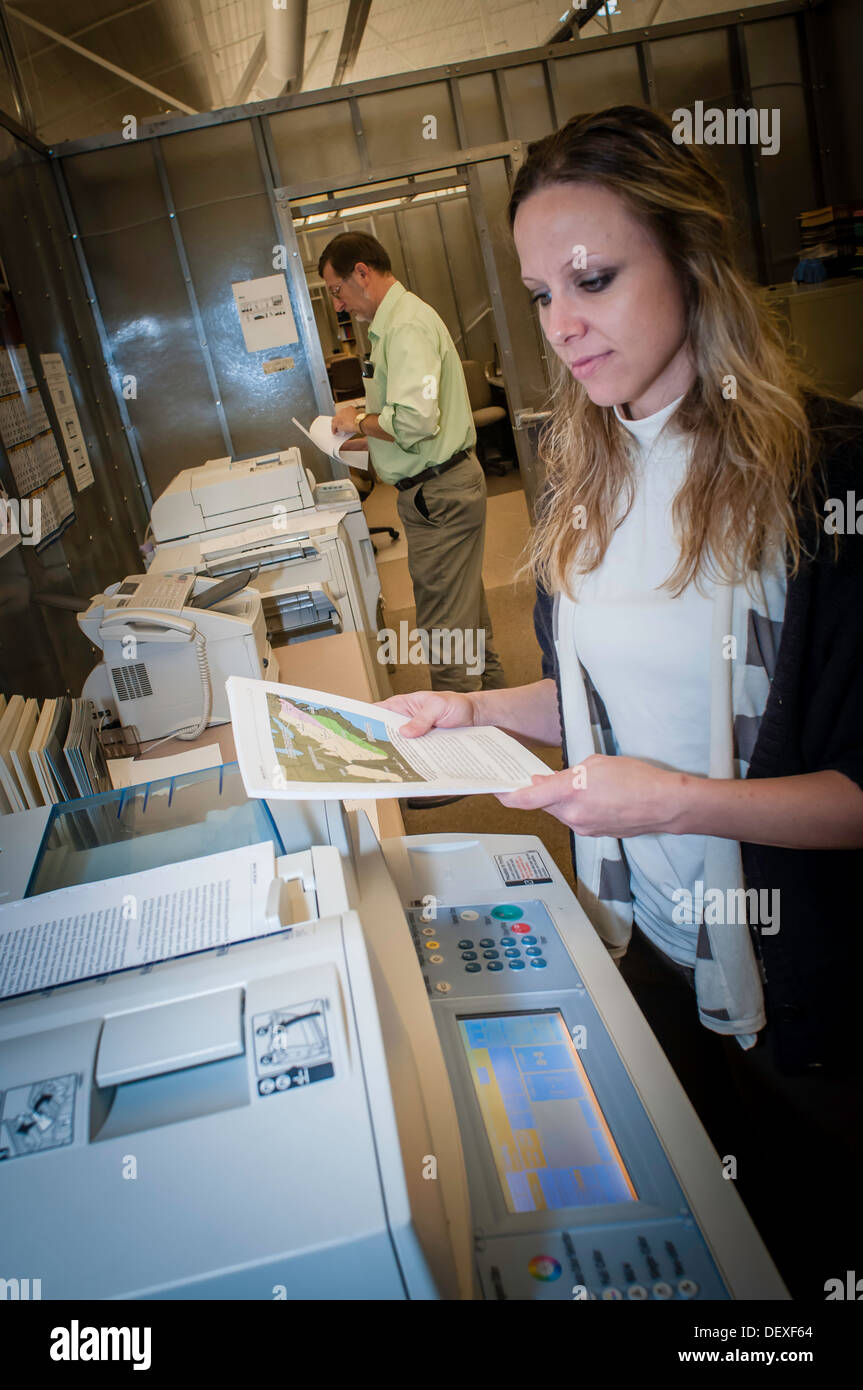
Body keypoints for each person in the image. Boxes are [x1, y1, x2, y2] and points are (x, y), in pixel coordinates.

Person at [379, 105, 863, 1298]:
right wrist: (476, 708)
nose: (563, 325)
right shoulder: (580, 472)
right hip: (645, 947)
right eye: (540, 294)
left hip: (803, 990)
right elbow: (603, 699)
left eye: (593, 278)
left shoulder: (825, 477)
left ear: (691, 261)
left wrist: (679, 805)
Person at [317, 231, 506, 695]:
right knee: (467, 621)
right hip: (443, 485)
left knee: (444, 630)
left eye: (337, 291)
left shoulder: (403, 327)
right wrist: (365, 431)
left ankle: (462, 747)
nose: (339, 306)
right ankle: (503, 718)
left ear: (361, 273)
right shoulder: (398, 323)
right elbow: (409, 415)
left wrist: (359, 420)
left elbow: (415, 421)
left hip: (438, 494)